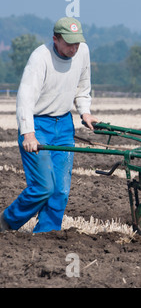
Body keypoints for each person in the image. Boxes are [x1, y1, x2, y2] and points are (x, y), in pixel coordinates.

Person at [0, 17, 98, 233]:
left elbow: (83, 86)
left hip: (64, 124)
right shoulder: (40, 58)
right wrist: (28, 134)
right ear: (55, 39)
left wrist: (85, 113)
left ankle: (46, 235)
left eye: (77, 43)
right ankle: (6, 222)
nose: (74, 48)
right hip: (38, 124)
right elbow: (25, 97)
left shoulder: (83, 52)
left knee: (60, 190)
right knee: (43, 187)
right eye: (69, 43)